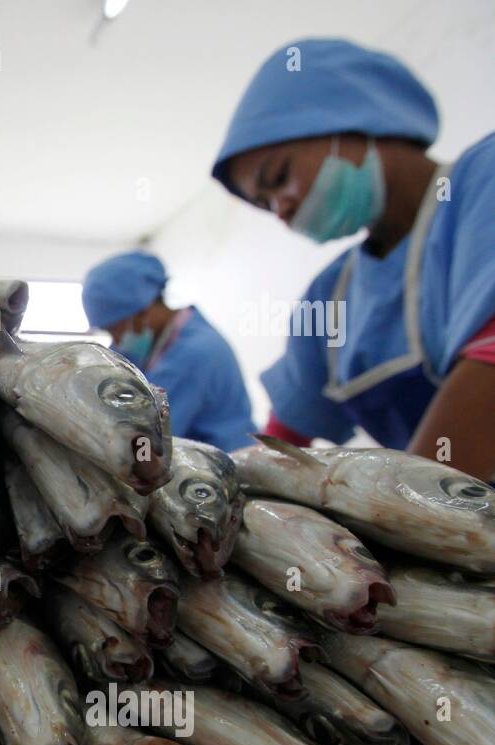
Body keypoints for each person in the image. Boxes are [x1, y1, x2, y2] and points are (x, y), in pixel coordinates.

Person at [212, 38, 495, 478]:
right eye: (266, 205)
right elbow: (281, 445)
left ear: (355, 118)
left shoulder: (483, 182)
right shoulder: (331, 295)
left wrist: (401, 511)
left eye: (279, 178)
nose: (281, 210)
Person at [82, 250, 257, 452]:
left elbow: (149, 438)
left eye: (115, 329)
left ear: (142, 312)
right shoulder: (157, 344)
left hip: (222, 462)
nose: (117, 341)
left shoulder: (195, 353)